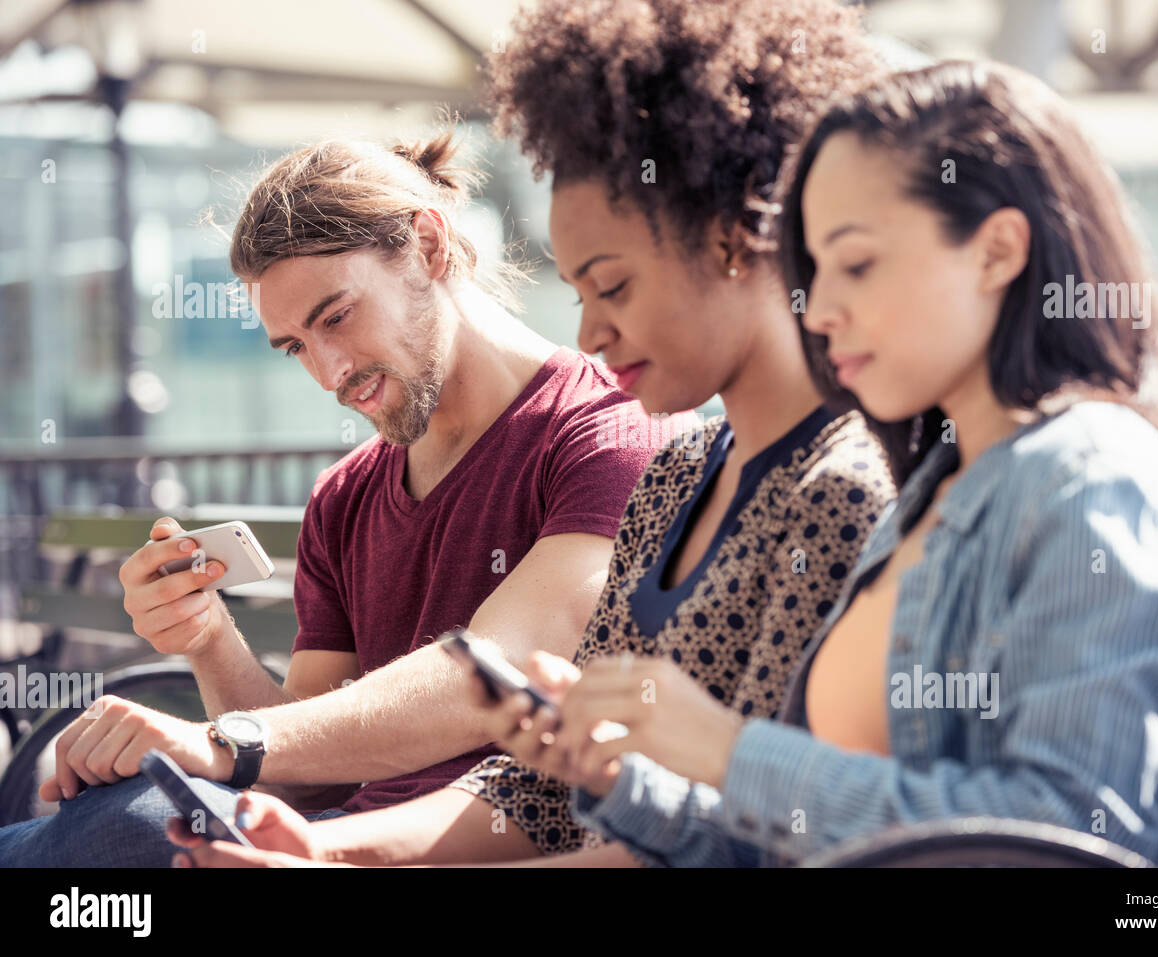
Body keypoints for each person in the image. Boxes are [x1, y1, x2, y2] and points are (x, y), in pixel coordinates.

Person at [165, 0, 897, 868]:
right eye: (578, 292)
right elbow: (552, 792)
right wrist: (326, 850)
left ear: (737, 239)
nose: (588, 334)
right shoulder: (684, 472)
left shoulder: (819, 489)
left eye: (613, 286)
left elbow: (744, 838)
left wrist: (299, 819)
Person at [450, 60, 1158, 868]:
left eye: (856, 264)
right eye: (814, 269)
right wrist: (623, 779)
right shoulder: (937, 488)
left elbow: (1069, 836)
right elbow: (803, 833)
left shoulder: (1087, 477)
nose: (819, 310)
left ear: (997, 251)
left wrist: (728, 748)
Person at [0, 131, 692, 867]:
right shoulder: (346, 494)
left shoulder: (615, 429)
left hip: (474, 848)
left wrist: (218, 742)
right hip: (320, 841)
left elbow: (497, 668)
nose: (330, 373)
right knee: (121, 820)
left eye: (335, 317)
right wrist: (209, 638)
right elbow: (302, 775)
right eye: (296, 346)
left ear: (428, 246)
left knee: (129, 827)